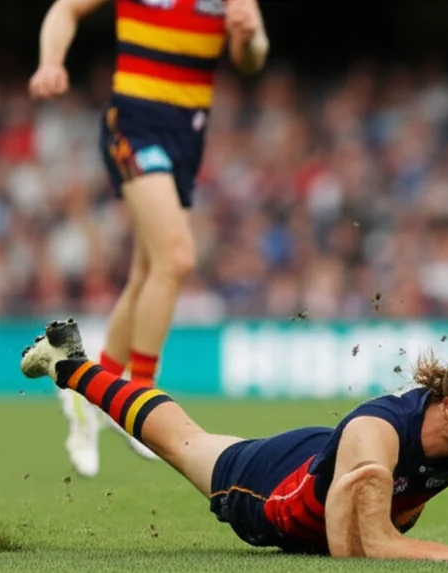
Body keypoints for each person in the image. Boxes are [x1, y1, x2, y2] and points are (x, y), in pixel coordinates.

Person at [20, 318, 448, 560]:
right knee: (183, 443)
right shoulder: (378, 435)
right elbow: (363, 548)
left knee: (190, 439)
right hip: (276, 492)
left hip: (326, 450)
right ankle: (69, 365)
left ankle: (71, 363)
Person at [27, 0, 270, 477]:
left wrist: (248, 37)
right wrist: (51, 62)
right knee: (176, 257)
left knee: (147, 272)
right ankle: (140, 395)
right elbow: (65, 9)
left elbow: (251, 59)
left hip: (187, 135)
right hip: (135, 123)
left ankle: (86, 391)